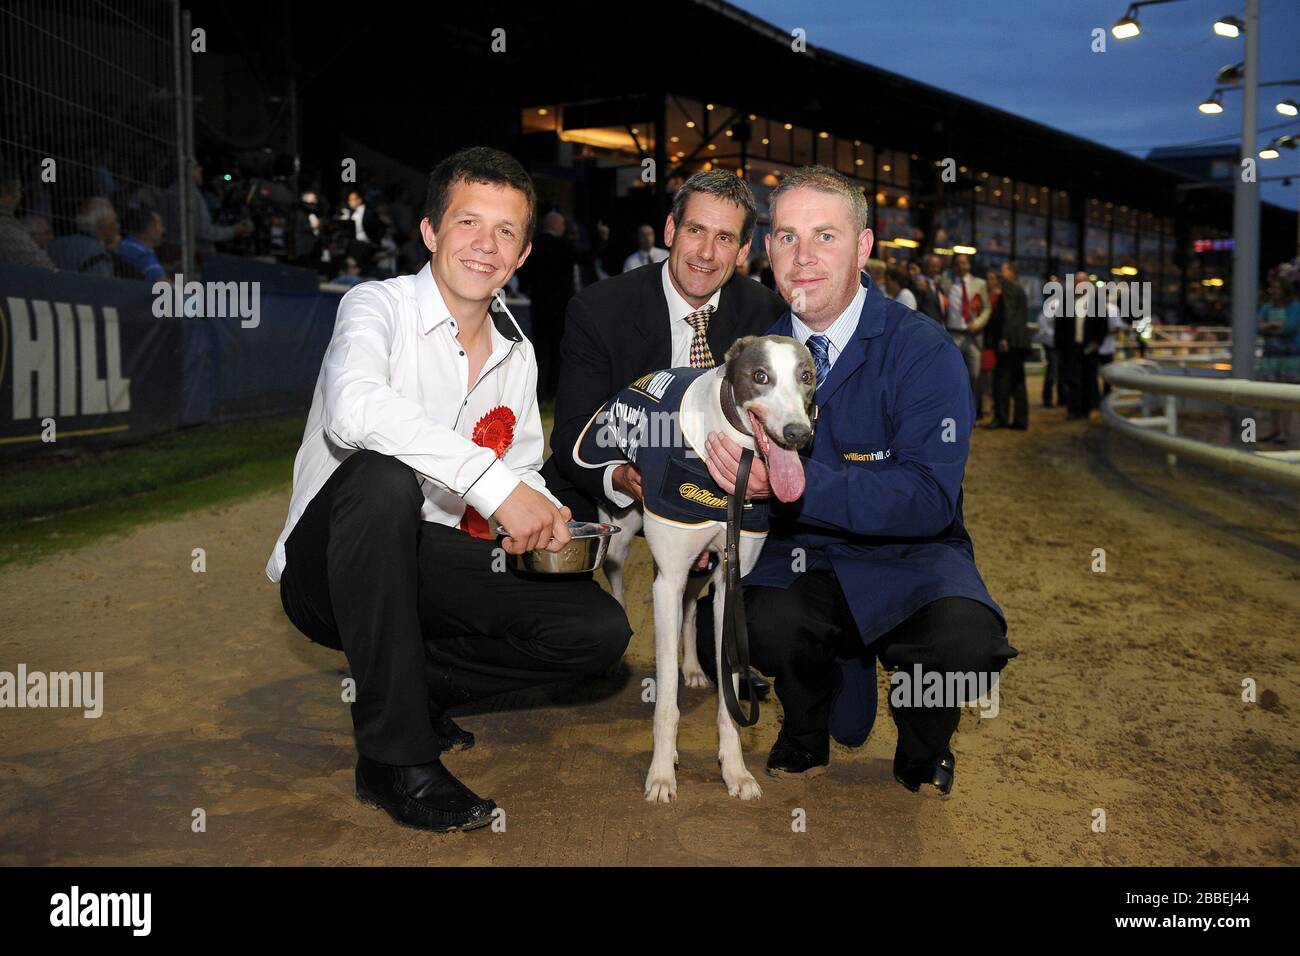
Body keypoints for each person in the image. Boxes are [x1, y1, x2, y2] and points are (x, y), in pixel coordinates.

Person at [266, 147, 631, 833]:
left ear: (524, 254)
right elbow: (353, 409)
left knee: (596, 631)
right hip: (330, 572)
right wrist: (493, 487)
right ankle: (393, 759)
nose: (484, 246)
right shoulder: (375, 305)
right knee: (382, 475)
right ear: (430, 233)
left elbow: (519, 468)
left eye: (505, 232)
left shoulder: (518, 353)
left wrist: (546, 513)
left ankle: (402, 690)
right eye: (468, 223)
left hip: (425, 564)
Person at [705, 165, 1014, 793]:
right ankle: (806, 723)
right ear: (766, 251)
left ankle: (924, 741)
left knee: (966, 645)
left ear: (864, 247)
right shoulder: (745, 355)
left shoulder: (923, 350)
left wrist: (795, 487)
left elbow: (929, 498)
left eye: (826, 236)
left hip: (911, 556)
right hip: (801, 560)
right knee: (744, 618)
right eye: (787, 237)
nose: (804, 257)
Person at [540, 167, 787, 693]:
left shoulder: (764, 314)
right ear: (670, 232)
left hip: (718, 488)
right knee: (568, 629)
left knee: (774, 615)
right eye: (695, 230)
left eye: (725, 238)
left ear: (744, 251)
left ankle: (719, 639)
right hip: (614, 475)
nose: (705, 252)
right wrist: (630, 480)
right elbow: (571, 438)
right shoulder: (599, 308)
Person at [516, 209, 577, 402]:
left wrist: (527, 289)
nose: (563, 227)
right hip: (560, 309)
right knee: (558, 352)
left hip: (540, 307)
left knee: (540, 352)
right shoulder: (564, 246)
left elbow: (524, 274)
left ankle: (540, 393)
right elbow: (586, 258)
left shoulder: (534, 246)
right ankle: (552, 392)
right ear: (554, 225)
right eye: (561, 224)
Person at [159, 158, 252, 261]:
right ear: (186, 171)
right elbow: (204, 232)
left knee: (178, 276)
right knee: (180, 276)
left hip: (174, 257)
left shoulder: (167, 194)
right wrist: (233, 230)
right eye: (196, 166)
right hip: (192, 260)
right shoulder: (190, 194)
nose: (200, 169)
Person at [939, 253, 991, 420]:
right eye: (958, 263)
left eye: (964, 263)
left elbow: (987, 308)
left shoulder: (980, 284)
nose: (961, 266)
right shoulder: (947, 282)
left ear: (969, 265)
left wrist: (979, 322)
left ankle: (973, 412)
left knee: (975, 376)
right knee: (953, 375)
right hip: (953, 334)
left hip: (973, 336)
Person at [985, 261, 1032, 430]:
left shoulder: (1009, 288)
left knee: (1002, 380)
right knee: (1018, 381)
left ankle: (1001, 418)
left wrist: (1004, 337)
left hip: (1010, 341)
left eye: (1004, 270)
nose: (1000, 273)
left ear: (1012, 273)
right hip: (1019, 341)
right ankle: (1020, 420)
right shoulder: (1018, 288)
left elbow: (1009, 313)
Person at [1257, 279, 1300, 442]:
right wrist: (1276, 325)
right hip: (1271, 357)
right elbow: (1258, 327)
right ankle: (1274, 429)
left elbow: (1289, 327)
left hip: (1289, 358)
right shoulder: (1267, 307)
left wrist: (1268, 326)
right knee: (1271, 395)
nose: (1273, 291)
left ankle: (1285, 431)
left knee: (1287, 395)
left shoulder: (1294, 307)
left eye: (1277, 288)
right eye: (1272, 288)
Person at [47, 196, 119, 276]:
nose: (117, 226)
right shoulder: (97, 253)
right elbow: (101, 286)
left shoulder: (56, 244)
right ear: (103, 225)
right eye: (114, 221)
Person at [0, 173, 56, 270]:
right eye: (18, 191)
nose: (20, 196)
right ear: (7, 195)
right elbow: (43, 267)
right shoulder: (7, 228)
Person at [117, 206, 167, 283]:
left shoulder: (125, 243)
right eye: (160, 225)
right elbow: (163, 284)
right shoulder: (144, 253)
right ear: (150, 229)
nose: (163, 230)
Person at [1036, 274, 1061, 408]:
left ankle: (1056, 397)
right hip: (1051, 342)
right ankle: (1048, 399)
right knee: (1052, 371)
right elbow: (1042, 320)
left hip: (1055, 342)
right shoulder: (1053, 303)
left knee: (1055, 371)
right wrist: (1052, 335)